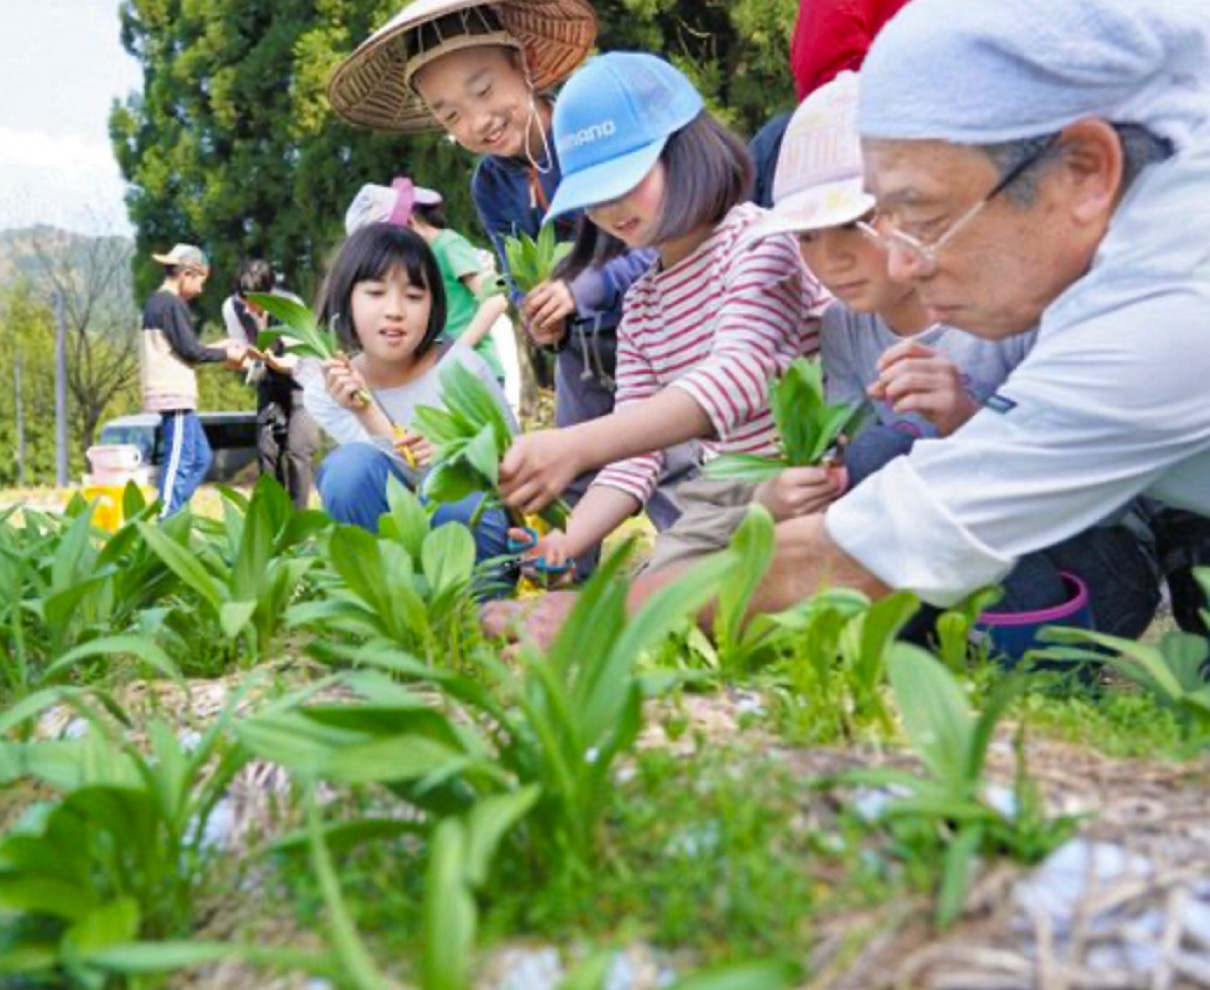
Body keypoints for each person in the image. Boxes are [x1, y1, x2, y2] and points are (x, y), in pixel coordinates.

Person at [485, 0, 1210, 650]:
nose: (905, 262)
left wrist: (611, 617)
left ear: (1083, 172)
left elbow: (884, 544)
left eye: (922, 219)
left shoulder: (1165, 308)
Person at [750, 70, 1158, 646]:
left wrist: (967, 418)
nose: (831, 259)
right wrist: (791, 493)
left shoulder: (1015, 299)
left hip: (1088, 561)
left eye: (852, 225)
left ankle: (1040, 659)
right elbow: (850, 464)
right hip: (948, 568)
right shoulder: (843, 326)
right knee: (877, 456)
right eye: (808, 236)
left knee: (896, 447)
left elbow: (1084, 476)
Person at [327, 0, 693, 576]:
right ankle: (568, 578)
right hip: (582, 352)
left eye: (482, 90)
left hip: (665, 334)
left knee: (676, 459)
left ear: (524, 63)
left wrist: (583, 289)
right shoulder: (489, 184)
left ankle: (703, 564)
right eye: (451, 114)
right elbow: (513, 275)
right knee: (570, 472)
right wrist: (537, 315)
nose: (476, 122)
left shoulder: (588, 137)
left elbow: (658, 241)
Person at [496, 52, 828, 575]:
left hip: (812, 472)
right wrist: (565, 540)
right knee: (664, 582)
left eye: (627, 180)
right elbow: (635, 456)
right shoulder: (644, 309)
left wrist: (575, 445)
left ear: (687, 149)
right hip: (726, 492)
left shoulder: (760, 242)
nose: (611, 211)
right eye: (594, 197)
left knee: (687, 586)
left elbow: (739, 378)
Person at [300, 221, 513, 570]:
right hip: (396, 547)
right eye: (375, 292)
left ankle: (478, 604)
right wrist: (364, 411)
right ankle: (381, 598)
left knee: (450, 485)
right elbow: (378, 479)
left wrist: (455, 453)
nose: (395, 311)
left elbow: (518, 468)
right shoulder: (329, 389)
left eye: (414, 296)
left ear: (433, 306)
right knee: (346, 469)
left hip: (473, 547)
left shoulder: (462, 369)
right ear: (346, 297)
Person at [344, 177, 509, 384]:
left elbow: (495, 301)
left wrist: (457, 352)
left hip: (473, 370)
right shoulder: (420, 261)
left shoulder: (448, 245)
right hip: (440, 371)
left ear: (410, 222)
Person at [140, 243, 246, 517]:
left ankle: (175, 513)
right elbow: (191, 351)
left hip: (180, 396)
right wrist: (226, 354)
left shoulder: (161, 303)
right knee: (179, 461)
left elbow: (186, 347)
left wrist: (221, 347)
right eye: (200, 281)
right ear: (187, 273)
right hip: (172, 394)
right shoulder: (170, 304)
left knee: (201, 458)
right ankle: (166, 521)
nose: (200, 289)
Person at [221, 259, 320, 509]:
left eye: (253, 300)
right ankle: (274, 517)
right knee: (267, 449)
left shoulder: (289, 307)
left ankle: (298, 522)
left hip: (302, 380)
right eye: (243, 299)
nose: (247, 307)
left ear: (269, 294)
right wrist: (238, 361)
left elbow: (291, 362)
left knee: (298, 451)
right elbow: (242, 349)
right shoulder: (232, 307)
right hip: (268, 378)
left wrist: (266, 358)